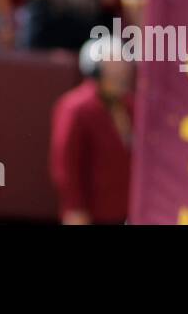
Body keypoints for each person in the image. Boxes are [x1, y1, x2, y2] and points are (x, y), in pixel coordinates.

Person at [48, 32, 134, 225]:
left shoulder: (130, 106)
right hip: (93, 214)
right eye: (113, 67)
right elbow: (65, 163)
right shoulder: (75, 108)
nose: (121, 73)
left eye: (123, 66)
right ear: (95, 70)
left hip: (126, 211)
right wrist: (74, 208)